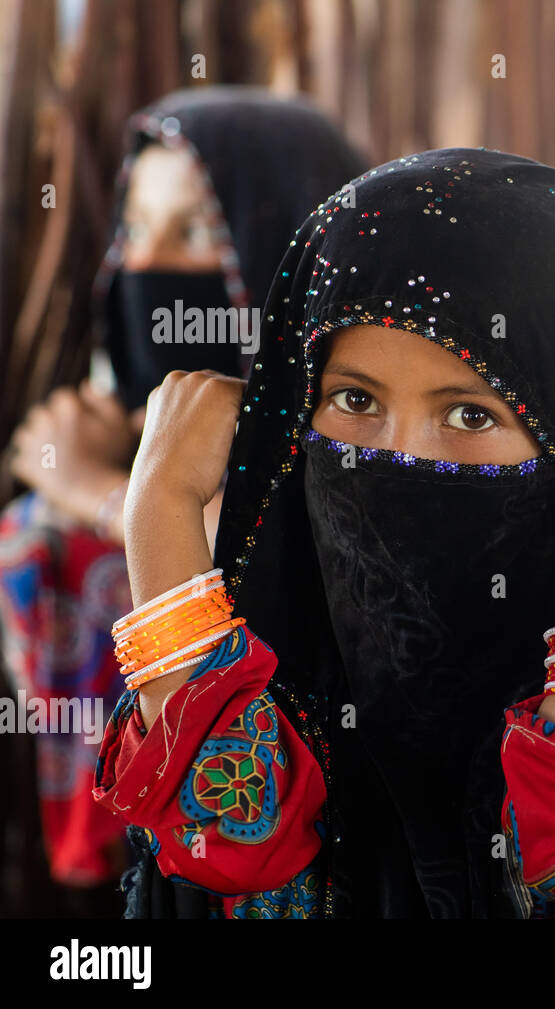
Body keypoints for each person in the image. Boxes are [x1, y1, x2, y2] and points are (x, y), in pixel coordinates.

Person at [91, 147, 555, 918]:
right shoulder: (290, 679)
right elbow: (233, 837)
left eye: (471, 414)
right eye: (355, 401)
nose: (398, 458)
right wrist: (155, 505)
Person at [0, 87, 364, 905]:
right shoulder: (94, 443)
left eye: (198, 230)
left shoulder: (361, 447)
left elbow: (258, 569)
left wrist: (109, 494)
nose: (146, 265)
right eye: (133, 229)